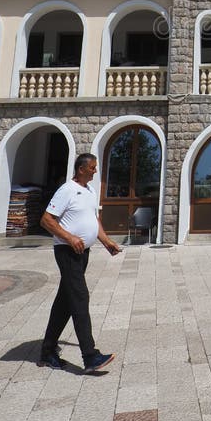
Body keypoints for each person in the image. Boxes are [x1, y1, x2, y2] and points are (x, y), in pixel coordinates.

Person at [39, 153, 121, 373]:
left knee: (65, 301)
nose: (95, 170)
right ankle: (90, 356)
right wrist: (70, 238)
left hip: (82, 252)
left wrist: (106, 241)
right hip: (67, 251)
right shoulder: (67, 190)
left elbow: (93, 219)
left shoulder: (90, 191)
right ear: (81, 169)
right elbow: (46, 220)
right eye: (92, 167)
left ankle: (47, 351)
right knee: (80, 297)